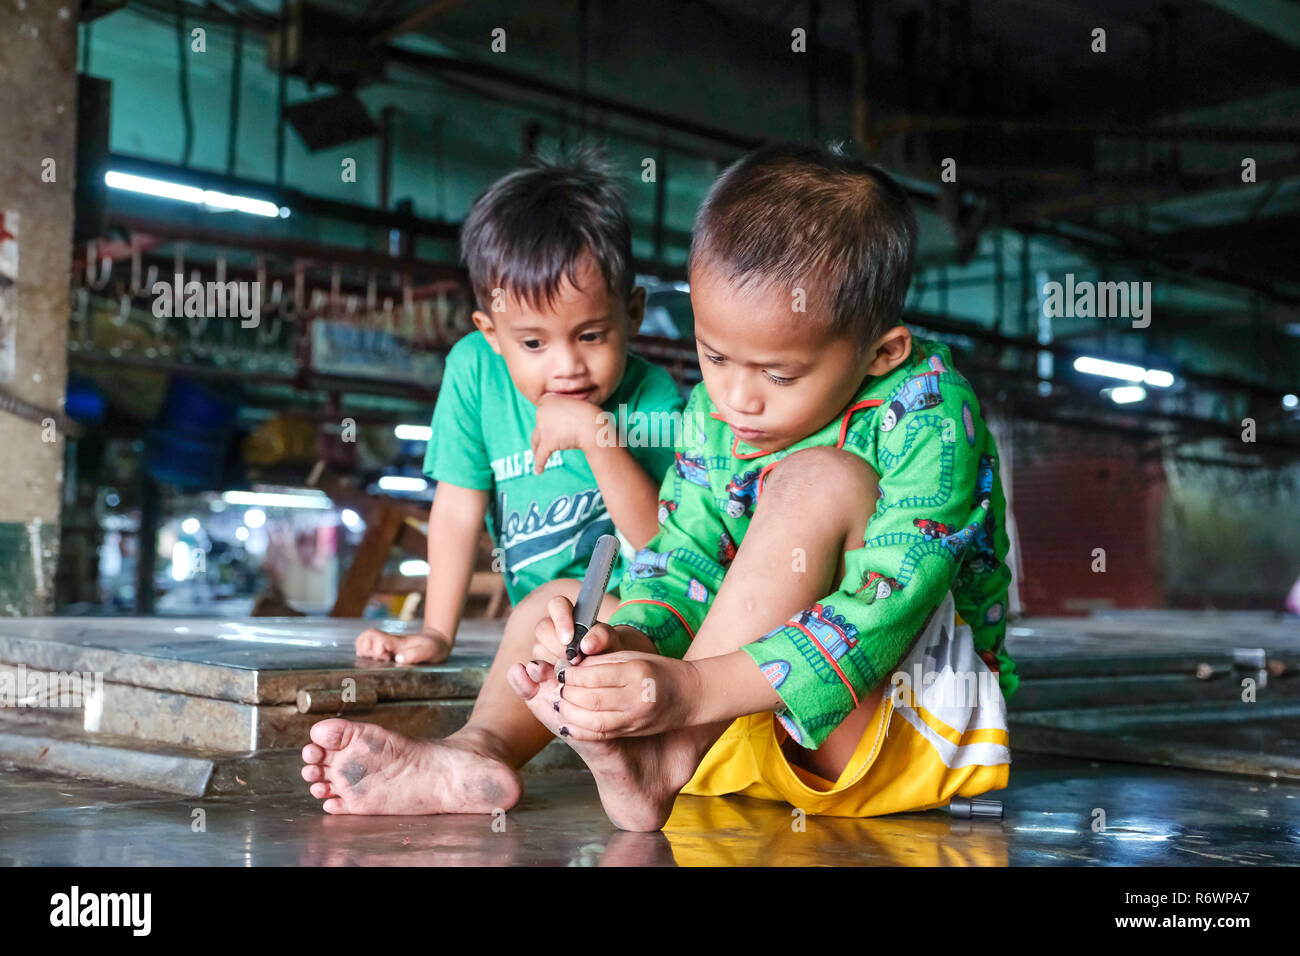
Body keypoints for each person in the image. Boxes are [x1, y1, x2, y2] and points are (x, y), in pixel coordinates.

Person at [506, 144, 1017, 831]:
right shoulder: (711, 417)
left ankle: (667, 755)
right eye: (714, 356)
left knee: (818, 478)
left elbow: (893, 596)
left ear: (881, 352)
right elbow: (679, 559)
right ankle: (472, 753)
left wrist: (687, 691)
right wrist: (632, 643)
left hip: (895, 729)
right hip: (734, 741)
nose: (735, 398)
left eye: (778, 375)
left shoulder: (930, 413)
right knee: (564, 604)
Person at [301, 154, 681, 814]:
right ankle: (473, 758)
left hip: (650, 626)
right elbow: (456, 508)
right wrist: (435, 632)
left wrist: (596, 435)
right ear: (492, 334)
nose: (566, 366)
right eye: (532, 343)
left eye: (591, 335)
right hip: (547, 632)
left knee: (562, 605)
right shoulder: (475, 372)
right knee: (549, 612)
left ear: (634, 313)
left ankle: (494, 753)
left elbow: (663, 546)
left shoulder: (653, 400)